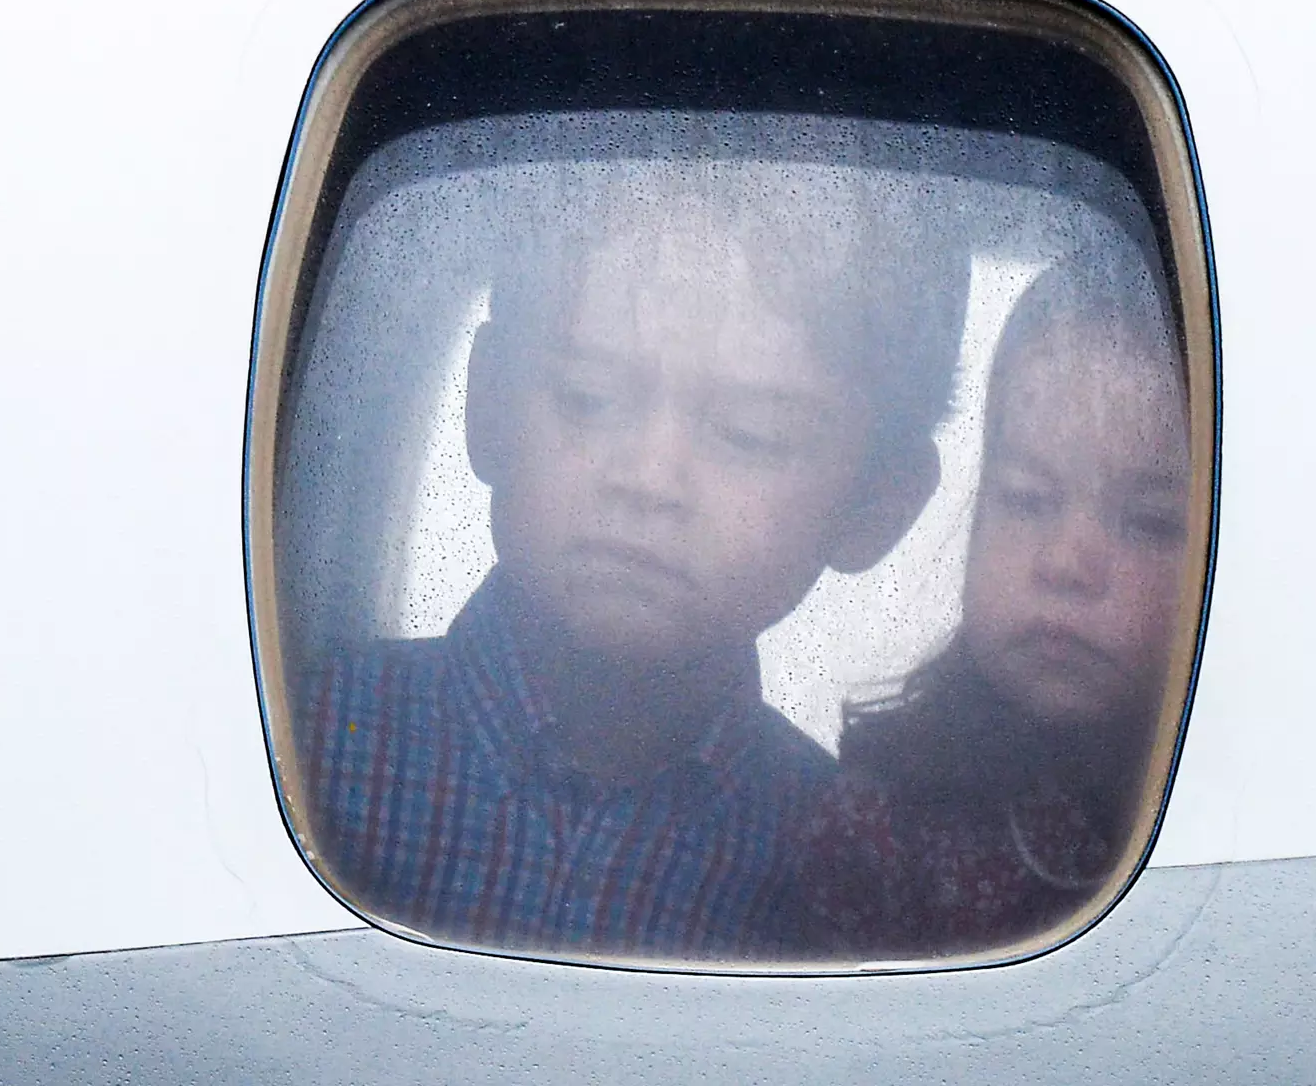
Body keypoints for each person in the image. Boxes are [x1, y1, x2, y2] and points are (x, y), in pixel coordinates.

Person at [289, 160, 969, 961]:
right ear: (490, 404)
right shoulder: (307, 743)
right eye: (587, 397)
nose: (649, 480)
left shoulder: (849, 877)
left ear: (876, 506)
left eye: (749, 434)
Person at [799, 240, 1192, 959]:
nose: (1066, 563)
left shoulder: (1255, 819)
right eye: (1028, 499)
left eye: (1152, 522)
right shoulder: (881, 818)